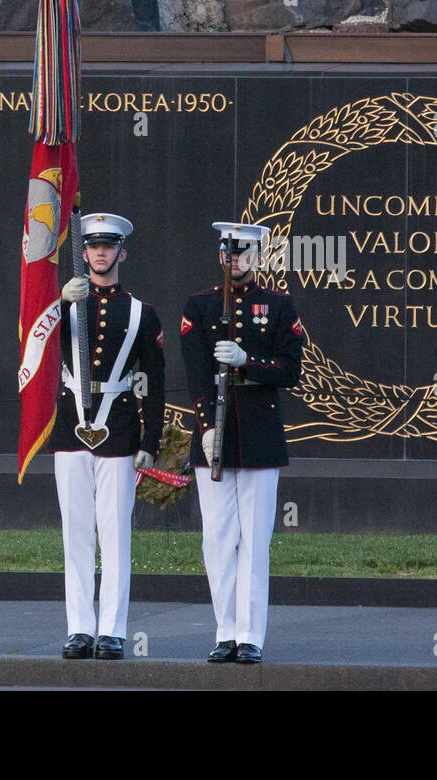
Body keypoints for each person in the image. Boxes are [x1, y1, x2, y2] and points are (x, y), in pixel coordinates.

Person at [180, 222, 304, 664]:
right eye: (230, 252)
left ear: (258, 256)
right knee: (217, 538)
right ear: (220, 256)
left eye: (245, 252)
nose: (236, 260)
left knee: (253, 540)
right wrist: (206, 428)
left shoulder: (277, 306)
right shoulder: (201, 305)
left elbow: (292, 370)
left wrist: (248, 362)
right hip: (214, 436)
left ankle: (250, 634)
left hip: (257, 436)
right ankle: (225, 630)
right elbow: (194, 371)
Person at [50, 213, 165, 660]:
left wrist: (149, 442)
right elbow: (35, 345)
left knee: (115, 535)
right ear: (82, 252)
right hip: (69, 424)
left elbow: (152, 382)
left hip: (117, 426)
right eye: (93, 246)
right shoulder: (64, 305)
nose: (100, 253)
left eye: (108, 245)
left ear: (122, 252)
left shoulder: (141, 313)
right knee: (75, 533)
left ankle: (113, 629)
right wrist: (58, 303)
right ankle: (80, 628)